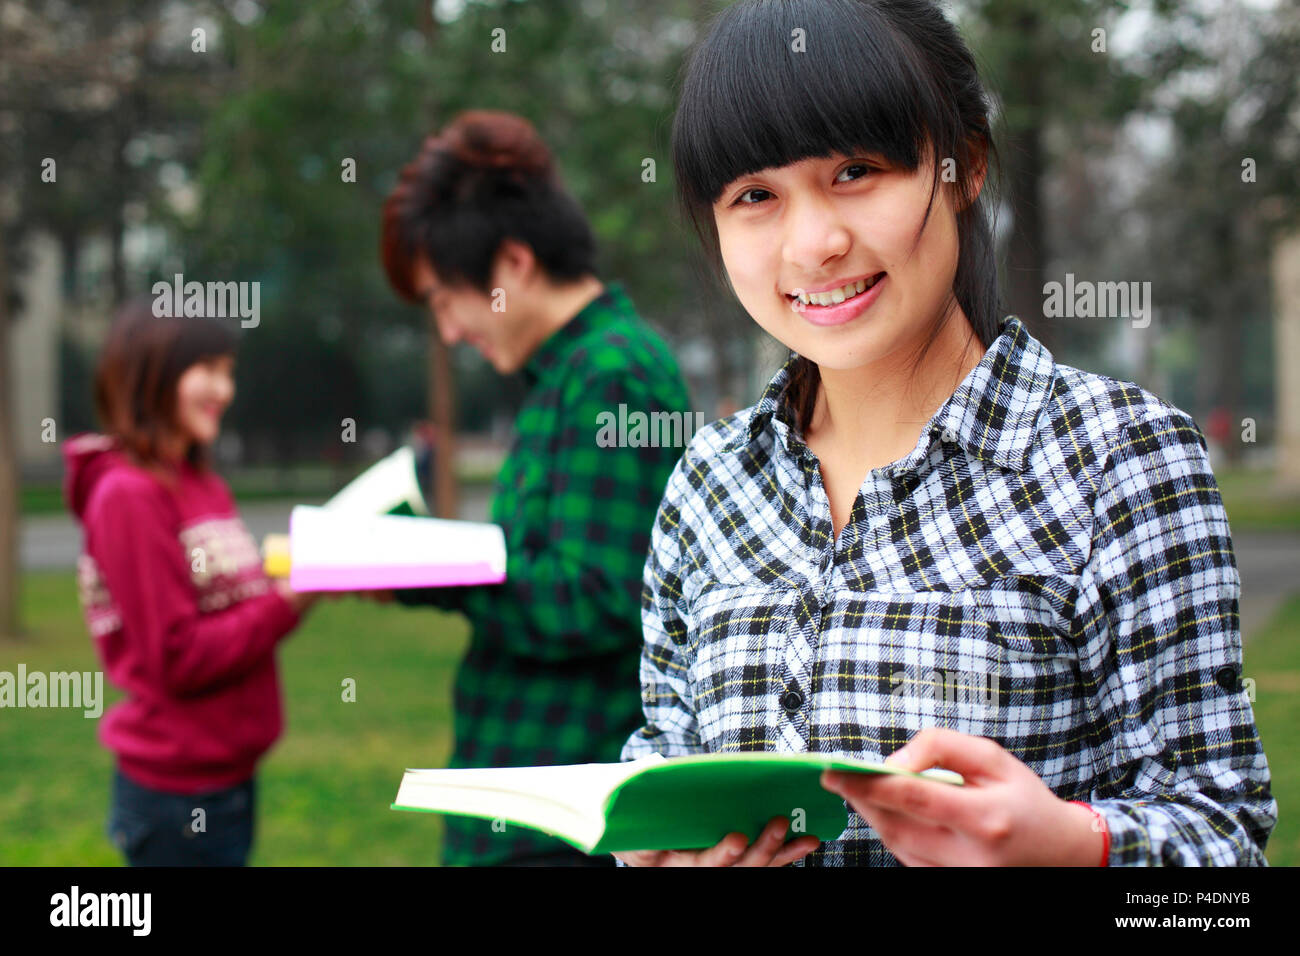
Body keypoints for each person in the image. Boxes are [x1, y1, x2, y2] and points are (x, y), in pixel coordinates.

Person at [615, 0, 1276, 867]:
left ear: (962, 167)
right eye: (756, 196)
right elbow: (662, 748)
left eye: (856, 171)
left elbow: (1222, 858)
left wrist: (1078, 848)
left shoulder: (1119, 459)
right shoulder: (708, 482)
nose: (816, 242)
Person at [380, 109, 692, 866]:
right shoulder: (563, 377)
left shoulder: (611, 375)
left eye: (445, 302)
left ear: (513, 263)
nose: (450, 333)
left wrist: (433, 569)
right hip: (522, 804)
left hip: (561, 819)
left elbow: (598, 599)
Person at [64, 302, 317, 866]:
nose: (224, 389)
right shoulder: (128, 495)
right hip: (175, 797)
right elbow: (177, 655)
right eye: (205, 368)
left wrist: (303, 573)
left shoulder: (201, 482)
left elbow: (230, 607)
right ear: (149, 375)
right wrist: (288, 601)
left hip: (228, 778)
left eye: (228, 370)